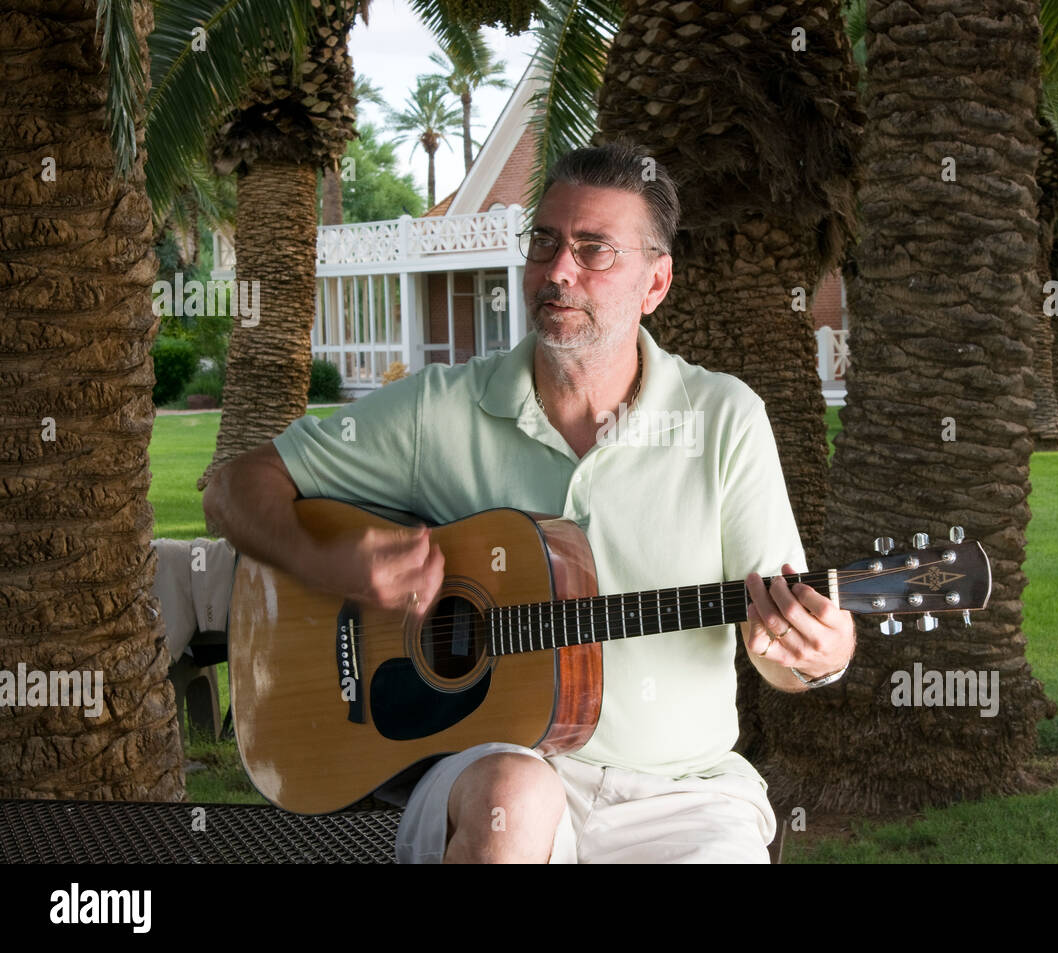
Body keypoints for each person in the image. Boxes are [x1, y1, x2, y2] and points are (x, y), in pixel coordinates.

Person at [202, 141, 856, 863]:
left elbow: (777, 645)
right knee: (516, 793)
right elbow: (234, 487)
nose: (558, 270)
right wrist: (327, 561)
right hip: (500, 771)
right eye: (544, 241)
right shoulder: (440, 410)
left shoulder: (726, 417)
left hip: (687, 794)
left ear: (655, 283)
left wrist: (815, 654)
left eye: (594, 250)